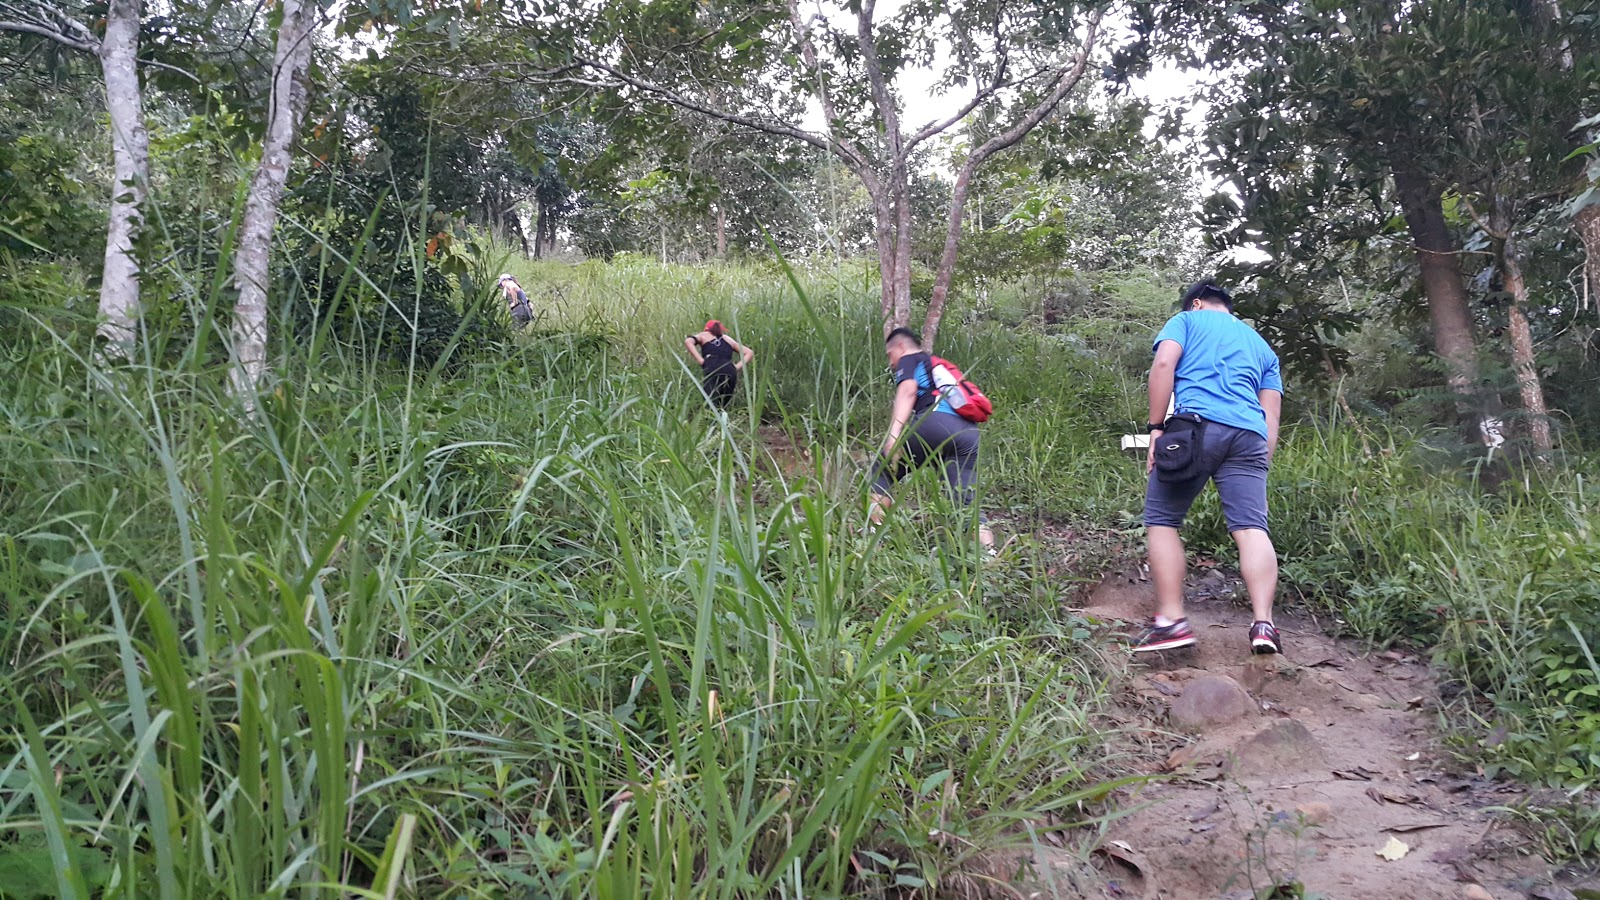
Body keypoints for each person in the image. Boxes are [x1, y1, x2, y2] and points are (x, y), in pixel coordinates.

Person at [1134, 280, 1284, 655]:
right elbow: (1271, 414)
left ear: (1197, 303)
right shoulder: (1262, 347)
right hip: (1251, 436)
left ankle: (1171, 621)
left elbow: (1164, 363)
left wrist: (1155, 429)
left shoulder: (1187, 320)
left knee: (1162, 518)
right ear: (1229, 309)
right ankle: (1264, 624)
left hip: (1197, 426)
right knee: (1251, 527)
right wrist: (1259, 458)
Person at [869, 327, 995, 554]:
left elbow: (907, 391)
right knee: (965, 500)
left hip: (935, 422)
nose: (891, 363)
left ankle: (873, 540)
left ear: (900, 347)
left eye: (890, 356)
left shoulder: (909, 359)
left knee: (884, 469)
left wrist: (894, 435)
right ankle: (989, 556)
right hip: (968, 433)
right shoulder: (939, 365)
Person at [684, 320, 753, 407]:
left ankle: (710, 419)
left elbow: (688, 341)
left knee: (710, 403)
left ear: (707, 329)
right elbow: (749, 352)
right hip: (729, 370)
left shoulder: (704, 335)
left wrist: (701, 361)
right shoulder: (728, 339)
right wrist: (735, 367)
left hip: (712, 367)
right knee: (723, 405)